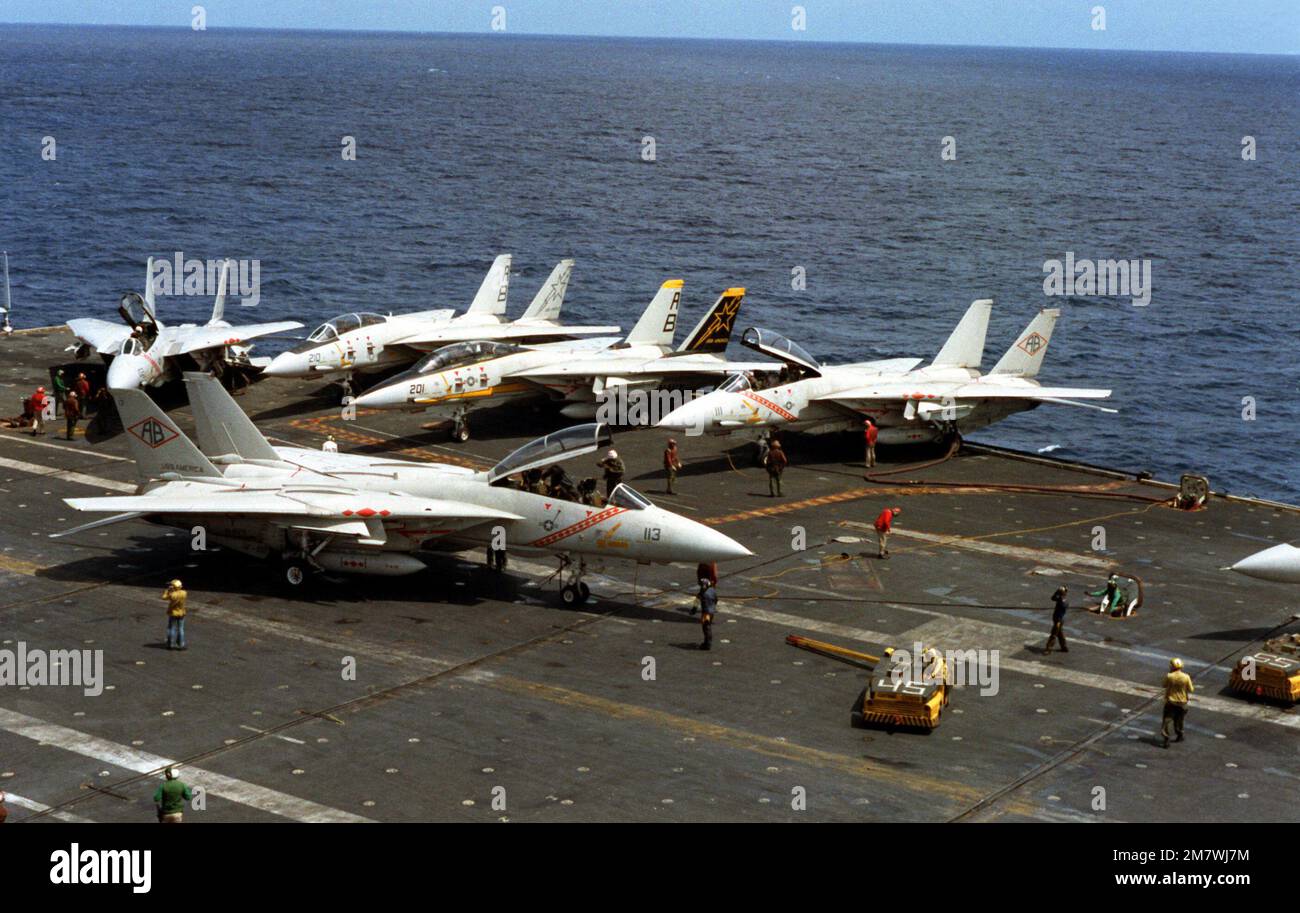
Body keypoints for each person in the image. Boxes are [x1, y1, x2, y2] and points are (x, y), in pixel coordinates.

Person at [1161, 658, 1193, 748]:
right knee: (1179, 720)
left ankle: (1167, 739)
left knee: (1167, 720)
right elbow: (1191, 689)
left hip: (1171, 702)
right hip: (1183, 703)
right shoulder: (1186, 676)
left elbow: (1164, 685)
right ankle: (1180, 735)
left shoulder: (1169, 676)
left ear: (1172, 666)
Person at [1044, 585, 1070, 654]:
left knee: (1053, 634)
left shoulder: (1064, 601)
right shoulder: (1060, 598)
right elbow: (1053, 598)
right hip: (1056, 618)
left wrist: (1060, 596)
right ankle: (1064, 647)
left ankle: (1048, 648)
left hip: (1059, 620)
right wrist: (1057, 591)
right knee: (1060, 633)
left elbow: (1063, 605)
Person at [163, 579, 188, 650]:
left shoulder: (172, 595)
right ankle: (181, 644)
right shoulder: (184, 593)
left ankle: (170, 644)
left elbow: (164, 597)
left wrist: (167, 591)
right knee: (180, 629)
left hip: (173, 613)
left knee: (171, 628)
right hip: (182, 613)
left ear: (173, 587)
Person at [697, 578, 717, 650]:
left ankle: (707, 644)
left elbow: (700, 601)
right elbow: (716, 600)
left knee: (706, 627)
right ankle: (707, 643)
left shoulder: (704, 594)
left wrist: (694, 609)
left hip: (706, 613)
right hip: (711, 611)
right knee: (708, 627)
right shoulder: (712, 590)